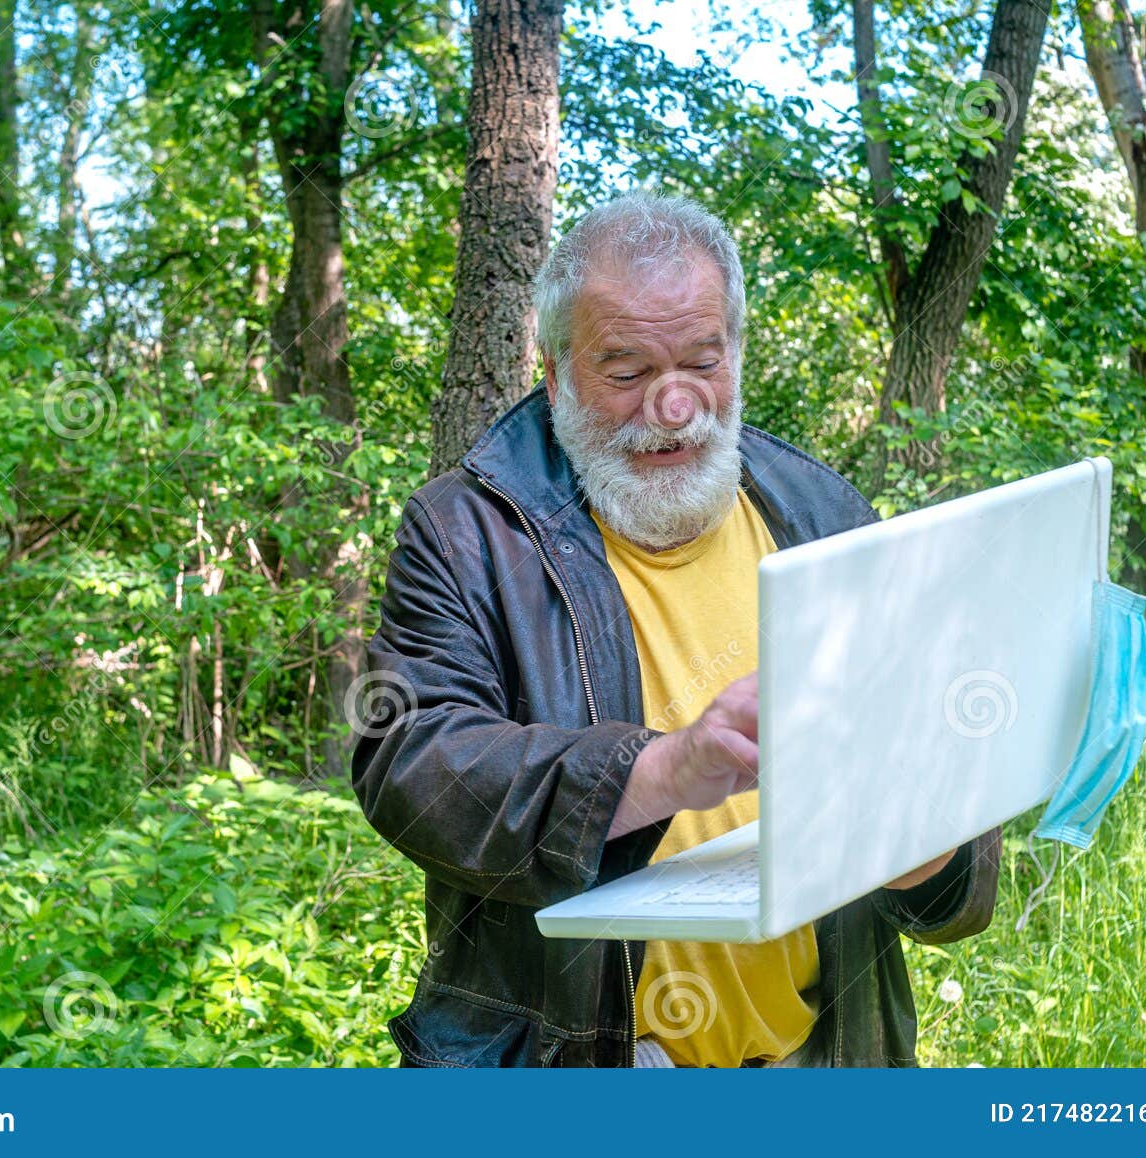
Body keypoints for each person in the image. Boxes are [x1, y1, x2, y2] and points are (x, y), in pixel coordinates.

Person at [350, 191, 1001, 1068]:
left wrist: (930, 854)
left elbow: (941, 793)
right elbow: (413, 763)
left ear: (735, 349)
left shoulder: (824, 512)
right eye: (626, 373)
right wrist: (659, 771)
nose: (673, 405)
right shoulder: (466, 529)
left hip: (829, 1055)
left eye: (703, 360)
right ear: (553, 371)